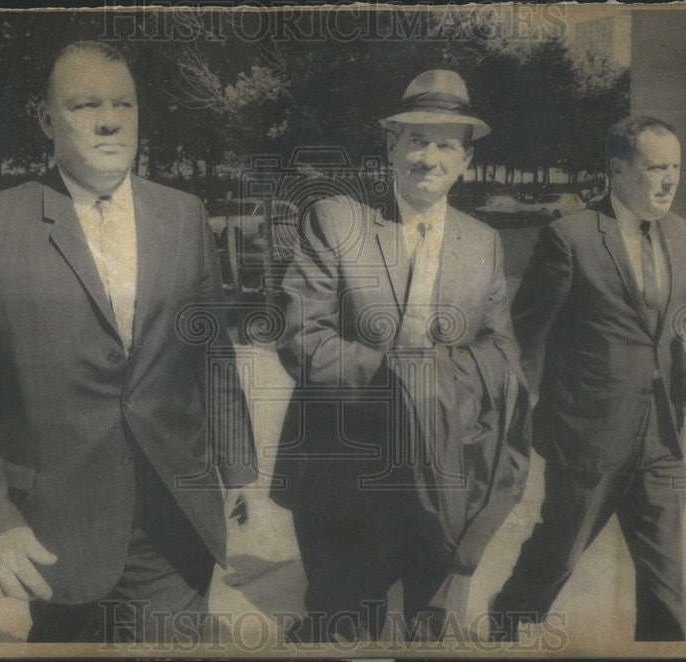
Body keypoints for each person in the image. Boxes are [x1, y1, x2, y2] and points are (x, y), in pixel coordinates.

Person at [0, 41, 256, 643]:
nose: (109, 118)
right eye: (84, 104)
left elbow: (210, 357)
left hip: (174, 520)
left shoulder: (185, 215)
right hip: (56, 533)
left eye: (124, 103)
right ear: (46, 119)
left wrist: (239, 468)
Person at [271, 70, 531, 642]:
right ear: (390, 147)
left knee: (431, 629)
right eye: (415, 140)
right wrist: (404, 378)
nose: (428, 157)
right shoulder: (336, 221)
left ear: (465, 159)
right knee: (339, 627)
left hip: (443, 473)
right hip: (343, 472)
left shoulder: (482, 241)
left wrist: (446, 388)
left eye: (445, 143)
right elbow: (300, 338)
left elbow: (502, 350)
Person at [490, 116, 686, 641]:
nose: (669, 180)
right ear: (618, 172)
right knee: (558, 553)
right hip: (588, 437)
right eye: (656, 168)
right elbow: (526, 338)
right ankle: (507, 623)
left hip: (660, 435)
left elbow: (668, 327)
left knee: (667, 583)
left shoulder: (680, 232)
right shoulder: (571, 237)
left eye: (675, 167)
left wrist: (684, 396)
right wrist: (517, 425)